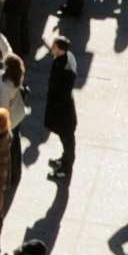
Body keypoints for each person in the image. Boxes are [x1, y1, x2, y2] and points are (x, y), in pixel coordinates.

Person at [43, 34, 77, 179]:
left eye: (54, 46)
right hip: (60, 109)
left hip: (63, 113)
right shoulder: (65, 57)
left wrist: (53, 105)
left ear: (60, 49)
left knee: (67, 141)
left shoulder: (67, 70)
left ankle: (65, 169)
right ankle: (64, 160)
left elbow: (64, 94)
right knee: (66, 141)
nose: (51, 48)